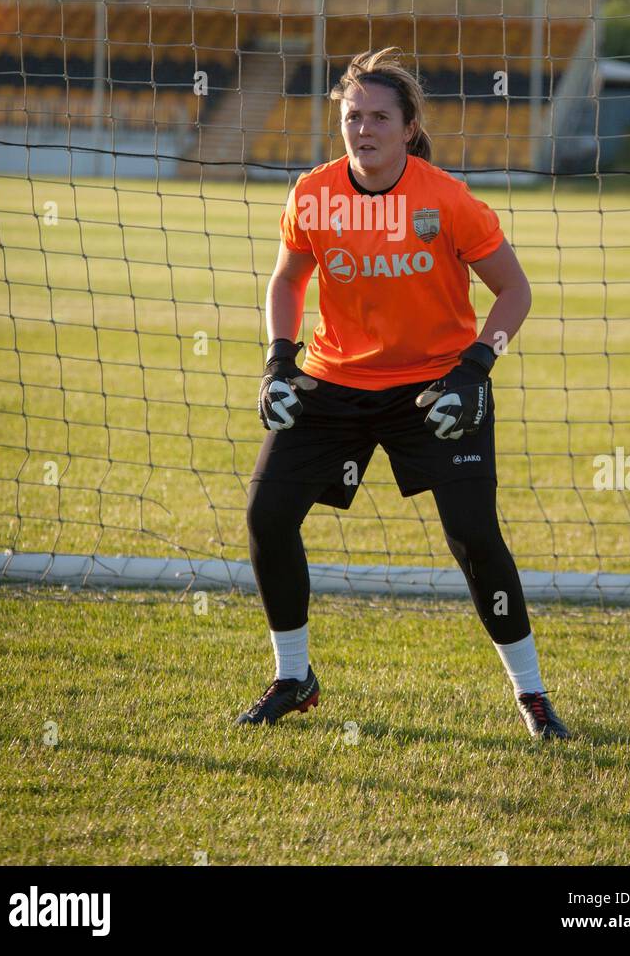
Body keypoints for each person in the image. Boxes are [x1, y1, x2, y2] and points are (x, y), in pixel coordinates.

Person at [236, 47, 570, 742]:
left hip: (436, 388)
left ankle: (531, 695)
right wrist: (277, 359)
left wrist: (476, 368)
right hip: (332, 381)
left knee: (474, 538)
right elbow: (287, 280)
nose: (363, 129)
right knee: (266, 516)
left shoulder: (446, 199)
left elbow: (514, 291)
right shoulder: (313, 193)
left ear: (409, 126)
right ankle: (293, 678)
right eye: (352, 116)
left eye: (378, 117)